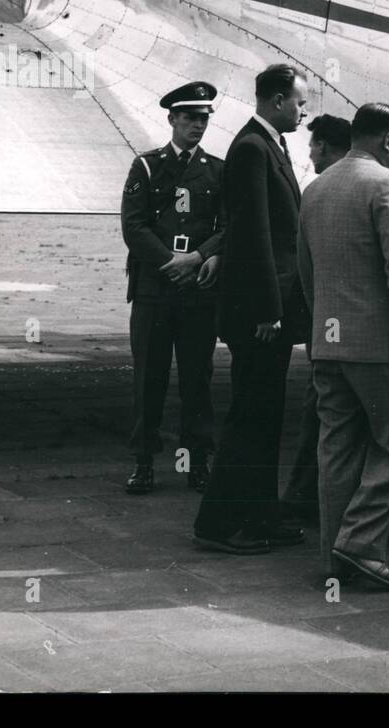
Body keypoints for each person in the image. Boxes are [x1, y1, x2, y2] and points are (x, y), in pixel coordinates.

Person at [298, 103, 389, 590]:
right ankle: (359, 543)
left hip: (329, 344)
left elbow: (307, 273)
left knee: (336, 450)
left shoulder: (316, 189)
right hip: (380, 348)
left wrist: (324, 330)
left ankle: (335, 558)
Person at [192, 64, 309, 554]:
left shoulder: (269, 146)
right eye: (300, 103)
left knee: (266, 415)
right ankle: (218, 526)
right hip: (260, 315)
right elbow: (253, 235)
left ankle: (262, 514)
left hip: (271, 313)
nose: (304, 112)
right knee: (249, 416)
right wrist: (267, 309)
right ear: (278, 101)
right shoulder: (250, 149)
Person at [120, 81, 224, 495]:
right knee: (150, 378)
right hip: (155, 289)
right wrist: (169, 262)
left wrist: (200, 257)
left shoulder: (217, 170)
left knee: (198, 378)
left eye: (203, 119)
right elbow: (134, 226)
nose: (197, 126)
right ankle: (144, 462)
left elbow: (229, 225)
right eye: (189, 119)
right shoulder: (146, 167)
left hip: (197, 288)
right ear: (172, 119)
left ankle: (197, 461)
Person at [282, 113, 352, 525]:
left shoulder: (316, 191)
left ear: (324, 146)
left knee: (321, 409)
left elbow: (304, 265)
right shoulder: (382, 184)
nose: (310, 153)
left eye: (313, 146)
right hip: (363, 329)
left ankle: (303, 495)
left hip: (324, 323)